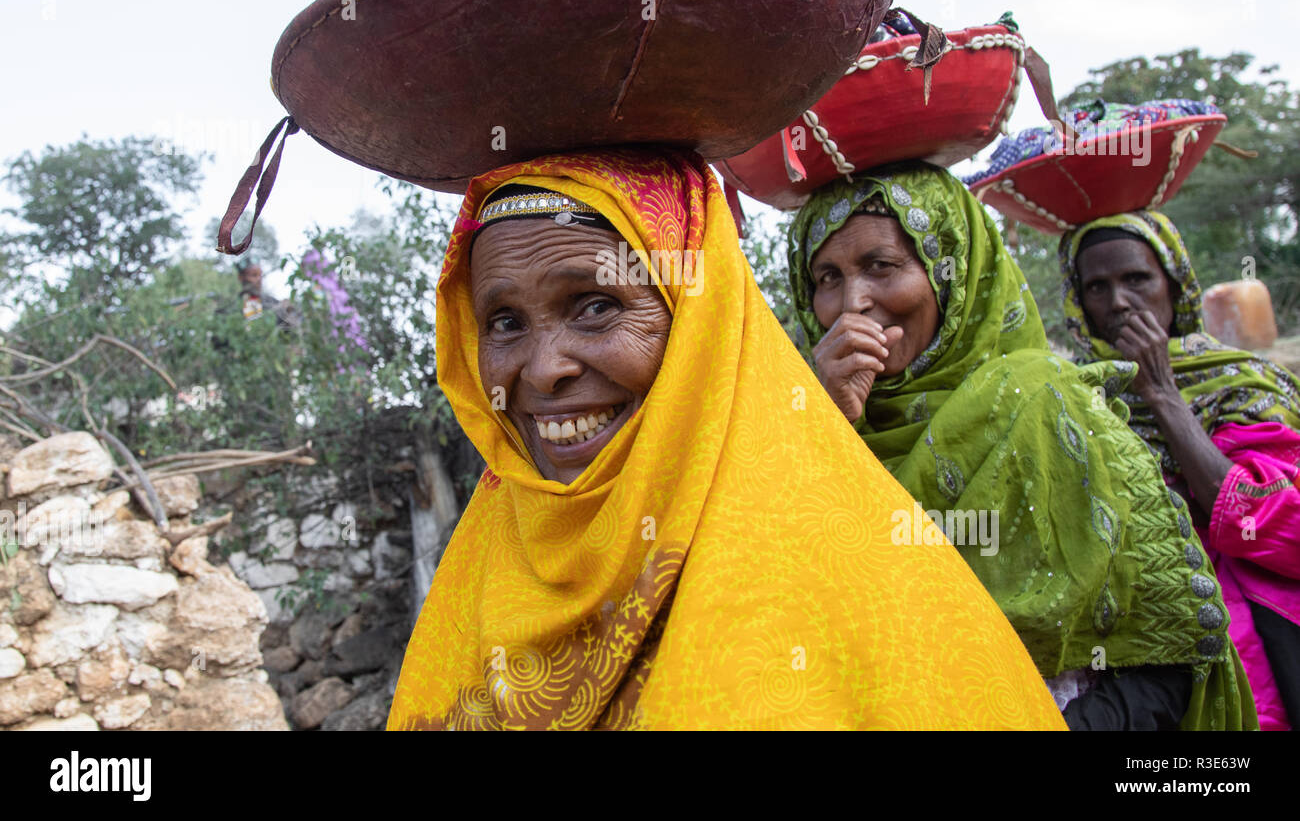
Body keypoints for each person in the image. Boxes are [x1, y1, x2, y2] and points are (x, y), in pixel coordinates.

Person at [386, 148, 1065, 730]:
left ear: (701, 320)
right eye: (503, 321)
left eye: (596, 305)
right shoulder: (489, 562)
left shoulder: (836, 569)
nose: (542, 367)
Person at [787, 162, 1256, 730]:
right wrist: (822, 426)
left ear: (953, 276)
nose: (852, 303)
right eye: (827, 278)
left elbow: (1164, 656)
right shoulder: (803, 425)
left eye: (881, 266)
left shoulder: (1042, 402)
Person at [1061, 210, 1300, 730]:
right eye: (1097, 287)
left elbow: (1284, 528)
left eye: (1136, 279)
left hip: (1275, 654)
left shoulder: (1243, 384)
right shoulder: (1071, 403)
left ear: (1174, 284)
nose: (1119, 302)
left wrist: (1163, 396)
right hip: (1153, 679)